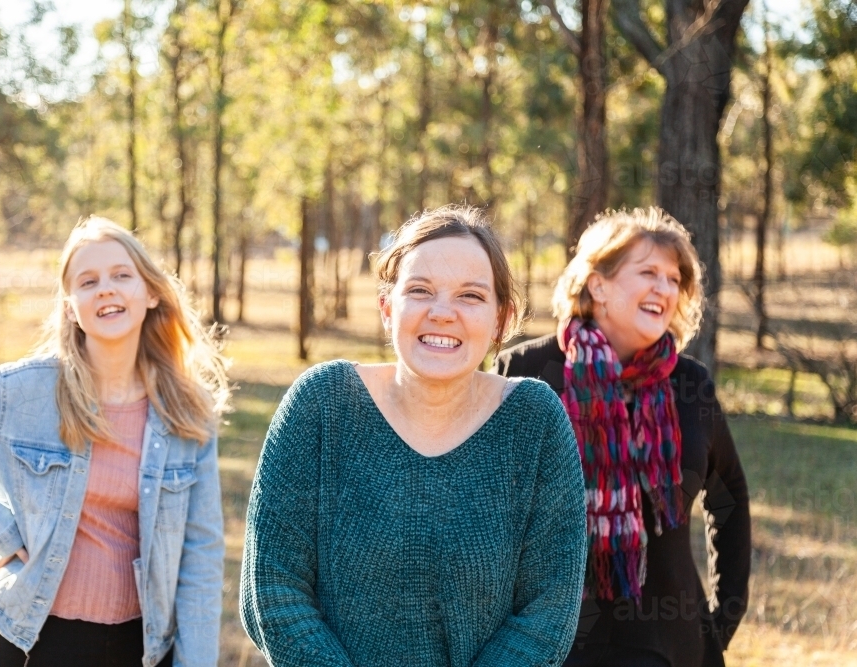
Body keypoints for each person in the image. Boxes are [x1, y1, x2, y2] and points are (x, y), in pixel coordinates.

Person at [0, 217, 229, 667]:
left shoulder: (186, 411)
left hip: (143, 648)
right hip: (36, 642)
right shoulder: (20, 394)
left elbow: (201, 554)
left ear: (151, 293)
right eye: (88, 281)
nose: (106, 289)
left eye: (122, 275)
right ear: (70, 307)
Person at [240, 205, 587, 667]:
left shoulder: (535, 421)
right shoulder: (322, 405)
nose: (442, 313)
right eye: (420, 290)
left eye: (471, 296)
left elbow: (549, 608)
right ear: (388, 309)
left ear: (502, 320)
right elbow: (273, 587)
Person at [496, 208, 751, 667]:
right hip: (550, 643)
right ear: (598, 284)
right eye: (648, 272)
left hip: (670, 646)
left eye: (674, 279)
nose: (665, 289)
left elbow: (730, 497)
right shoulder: (527, 371)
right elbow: (487, 505)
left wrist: (723, 616)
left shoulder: (689, 385)